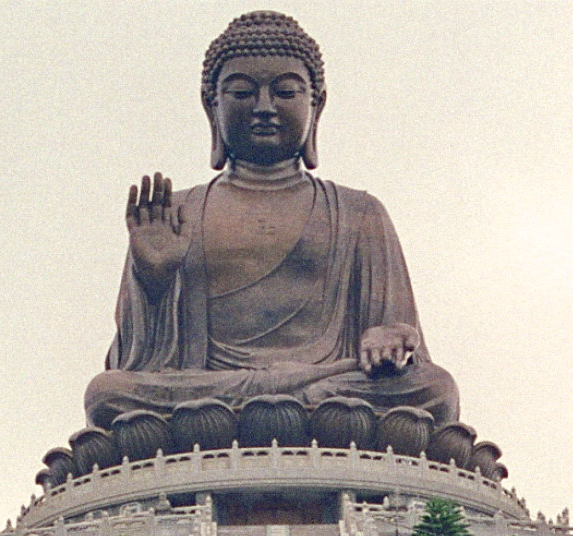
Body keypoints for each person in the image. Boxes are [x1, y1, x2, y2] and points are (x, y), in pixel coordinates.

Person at [83, 11, 475, 462]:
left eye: (286, 92)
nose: (265, 107)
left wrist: (389, 336)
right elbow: (139, 364)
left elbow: (401, 341)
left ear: (317, 104)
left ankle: (273, 416)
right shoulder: (178, 212)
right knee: (108, 394)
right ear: (212, 105)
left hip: (331, 386)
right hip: (211, 391)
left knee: (434, 389)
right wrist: (153, 283)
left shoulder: (359, 211)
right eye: (243, 92)